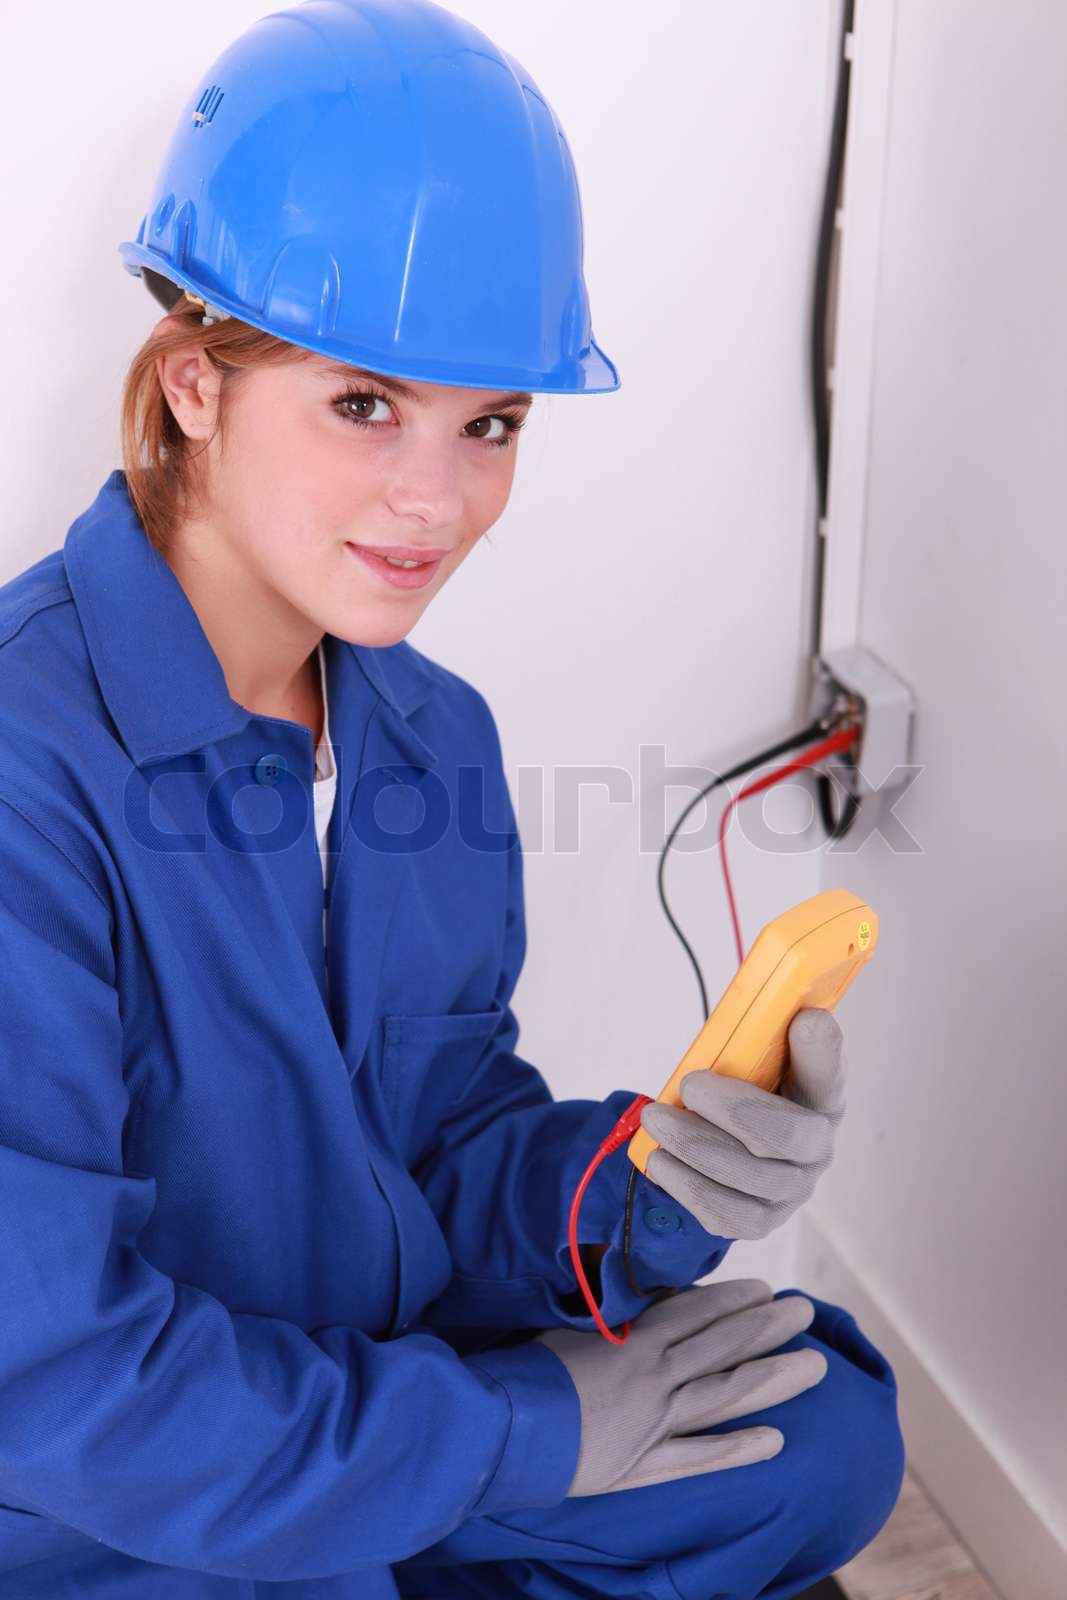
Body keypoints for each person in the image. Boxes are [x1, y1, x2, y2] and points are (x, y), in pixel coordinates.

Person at [0, 1, 905, 1595]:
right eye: (364, 404)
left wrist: (644, 1191)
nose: (438, 501)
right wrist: (524, 1434)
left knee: (816, 1429)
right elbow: (56, 1379)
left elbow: (431, 1153)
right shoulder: (26, 759)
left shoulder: (432, 743)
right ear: (195, 385)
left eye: (490, 425)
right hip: (112, 1492)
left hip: (370, 1411)